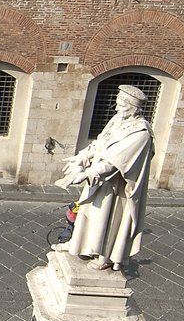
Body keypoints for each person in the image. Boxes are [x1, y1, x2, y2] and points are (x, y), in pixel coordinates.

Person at [55, 85, 154, 271]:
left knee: (106, 220)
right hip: (99, 181)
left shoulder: (140, 134)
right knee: (87, 213)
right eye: (117, 104)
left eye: (122, 106)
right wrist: (83, 156)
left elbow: (114, 163)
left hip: (117, 188)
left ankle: (105, 255)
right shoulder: (118, 120)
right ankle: (80, 245)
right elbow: (101, 142)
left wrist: (84, 175)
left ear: (134, 108)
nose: (116, 109)